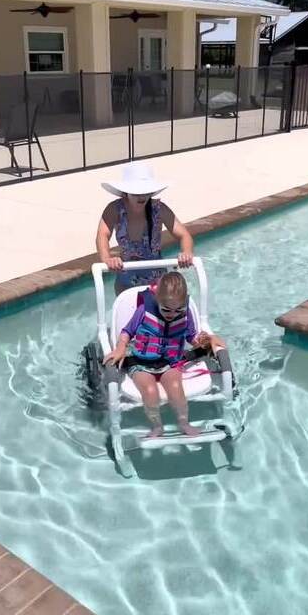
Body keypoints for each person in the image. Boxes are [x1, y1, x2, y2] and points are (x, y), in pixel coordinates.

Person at [103, 272, 226, 439]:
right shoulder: (143, 311)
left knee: (176, 387)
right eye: (166, 309)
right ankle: (157, 426)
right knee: (150, 390)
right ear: (157, 300)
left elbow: (192, 337)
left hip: (170, 363)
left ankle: (184, 423)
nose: (172, 314)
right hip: (140, 363)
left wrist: (207, 339)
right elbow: (127, 332)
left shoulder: (184, 314)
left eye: (179, 310)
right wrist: (120, 348)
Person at [96, 162, 195, 294]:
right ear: (126, 193)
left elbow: (184, 235)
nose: (142, 196)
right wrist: (107, 259)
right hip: (126, 279)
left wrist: (186, 252)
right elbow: (102, 235)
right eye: (137, 192)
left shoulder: (159, 209)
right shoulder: (114, 209)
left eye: (146, 191)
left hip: (157, 280)